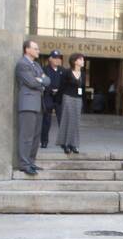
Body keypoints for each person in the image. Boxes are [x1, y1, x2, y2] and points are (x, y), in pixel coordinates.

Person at [15, 39, 48, 176]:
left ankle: (31, 162)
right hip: (27, 104)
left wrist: (40, 80)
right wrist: (40, 80)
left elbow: (47, 80)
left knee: (35, 136)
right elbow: (32, 82)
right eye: (35, 48)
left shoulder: (36, 65)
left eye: (38, 49)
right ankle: (24, 164)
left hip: (38, 104)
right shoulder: (22, 64)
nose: (38, 51)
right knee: (26, 136)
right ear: (27, 49)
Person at [56, 54, 85, 155]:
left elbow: (82, 89)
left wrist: (82, 101)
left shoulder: (83, 74)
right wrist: (58, 100)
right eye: (81, 59)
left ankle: (74, 144)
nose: (83, 61)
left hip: (78, 99)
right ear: (75, 61)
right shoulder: (67, 72)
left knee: (76, 122)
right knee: (67, 120)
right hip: (67, 97)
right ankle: (66, 144)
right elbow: (62, 86)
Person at [40, 50, 66, 149]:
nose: (57, 60)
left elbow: (64, 83)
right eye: (55, 58)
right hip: (48, 96)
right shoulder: (44, 69)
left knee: (62, 120)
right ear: (50, 59)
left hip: (59, 97)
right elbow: (43, 82)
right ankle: (44, 141)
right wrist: (51, 90)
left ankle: (63, 141)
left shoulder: (62, 70)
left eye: (59, 58)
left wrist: (59, 91)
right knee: (46, 120)